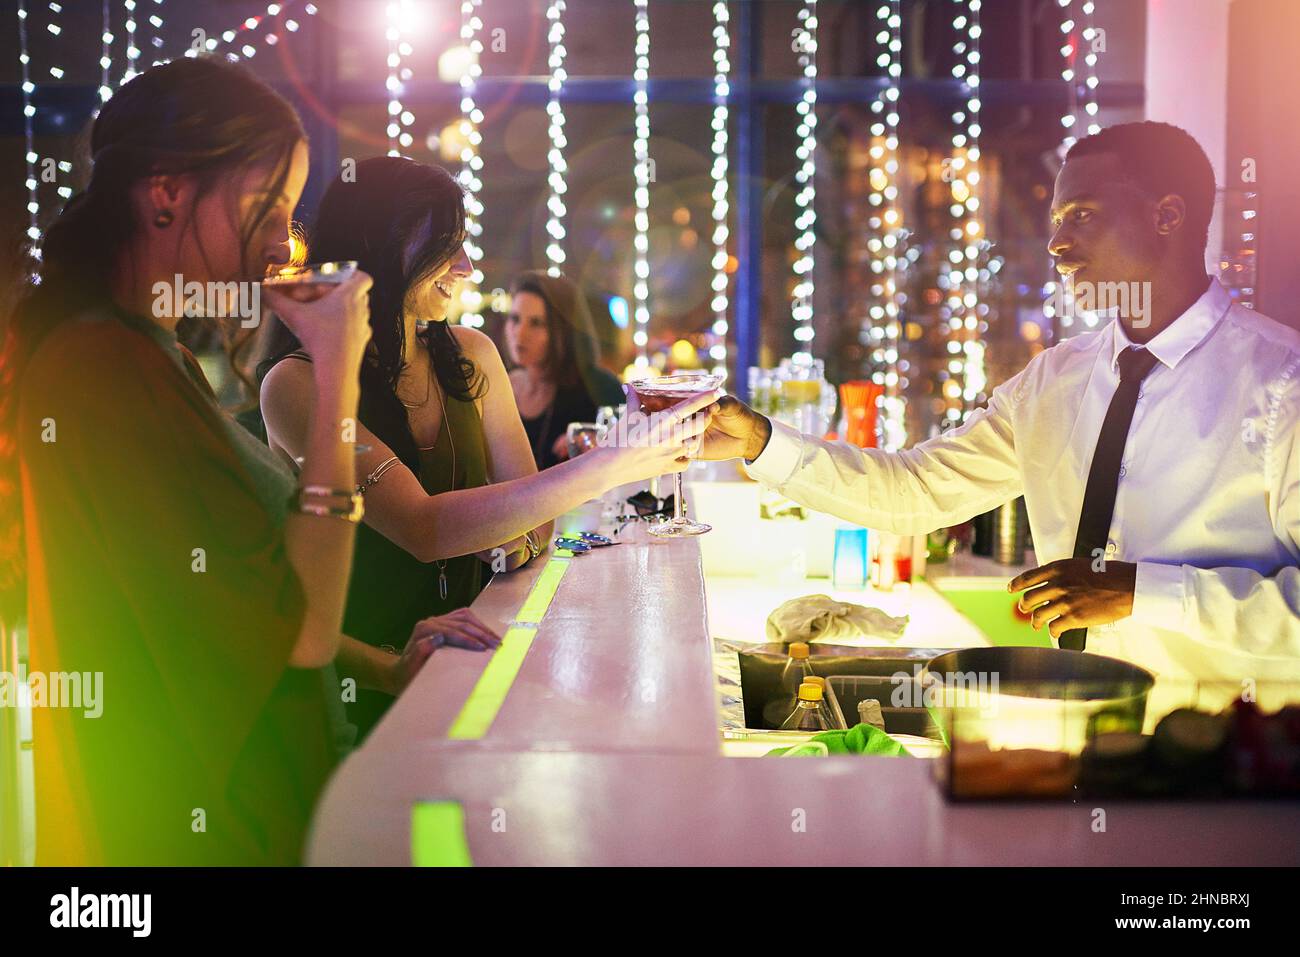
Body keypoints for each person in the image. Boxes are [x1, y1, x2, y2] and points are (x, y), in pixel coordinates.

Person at [0, 57, 469, 865]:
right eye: (266, 205)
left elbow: (244, 605)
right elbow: (305, 630)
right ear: (167, 193)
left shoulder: (149, 357)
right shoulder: (108, 371)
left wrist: (390, 669)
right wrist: (337, 371)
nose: (281, 241)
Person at [702, 122, 1300, 694]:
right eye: (1056, 221)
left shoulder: (1282, 381)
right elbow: (914, 492)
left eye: (1083, 216)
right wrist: (760, 443)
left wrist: (1142, 591)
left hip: (1231, 760)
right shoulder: (1054, 381)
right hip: (1078, 737)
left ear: (1167, 215)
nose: (1058, 244)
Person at [258, 158, 715, 741]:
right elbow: (423, 529)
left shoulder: (472, 354)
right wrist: (612, 463)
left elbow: (537, 518)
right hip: (355, 693)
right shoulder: (298, 385)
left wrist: (516, 531)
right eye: (446, 247)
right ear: (383, 246)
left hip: (465, 662)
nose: (467, 267)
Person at [506, 271, 626, 469]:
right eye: (515, 319)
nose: (520, 333)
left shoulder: (598, 386)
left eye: (536, 323)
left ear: (562, 332)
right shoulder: (499, 386)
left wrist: (601, 445)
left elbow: (636, 447)